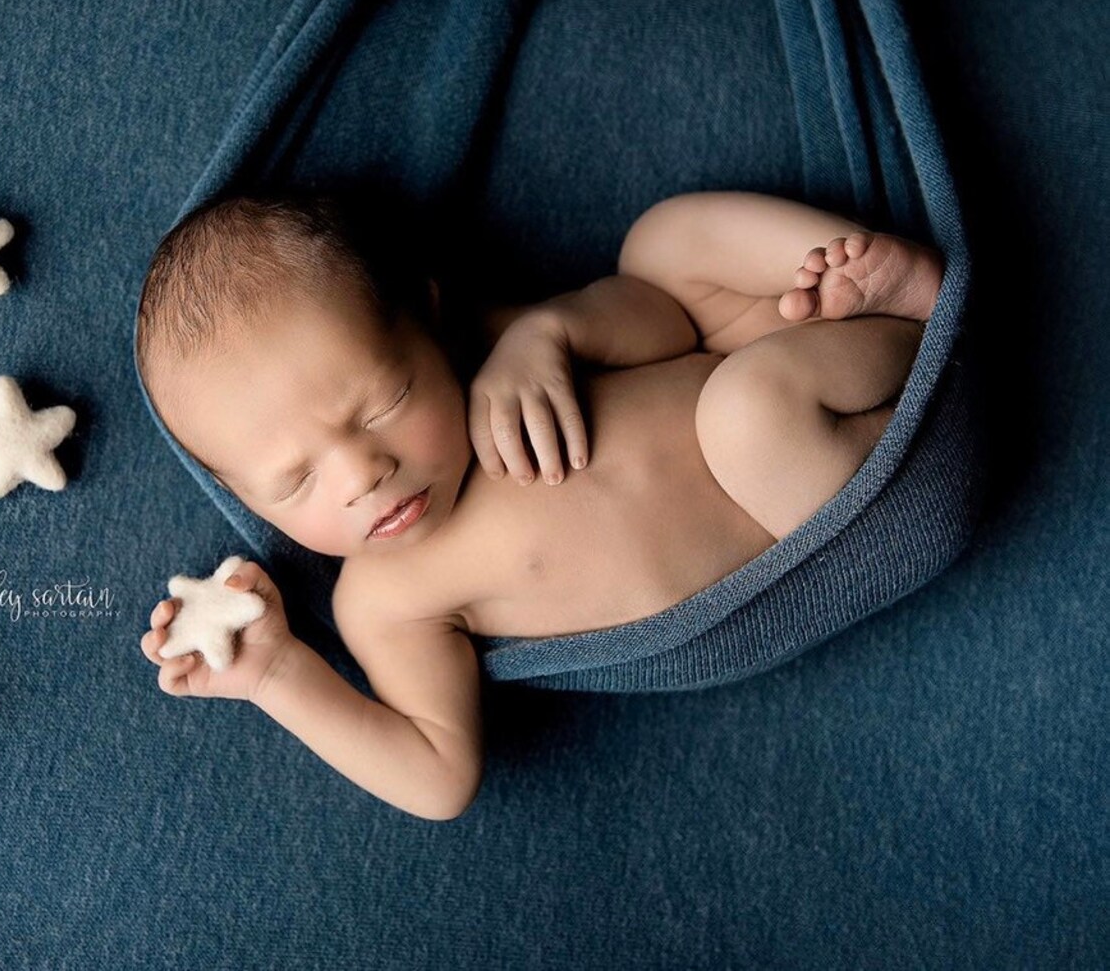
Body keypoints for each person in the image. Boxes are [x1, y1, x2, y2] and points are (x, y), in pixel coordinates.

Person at [135, 189, 943, 820]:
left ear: (430, 323)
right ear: (244, 499)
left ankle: (890, 287)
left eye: (383, 403)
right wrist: (278, 673)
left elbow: (662, 321)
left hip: (816, 365)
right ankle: (923, 340)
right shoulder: (387, 601)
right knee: (746, 413)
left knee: (661, 243)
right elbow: (437, 776)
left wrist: (549, 333)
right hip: (844, 512)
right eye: (296, 481)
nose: (363, 472)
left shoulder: (493, 348)